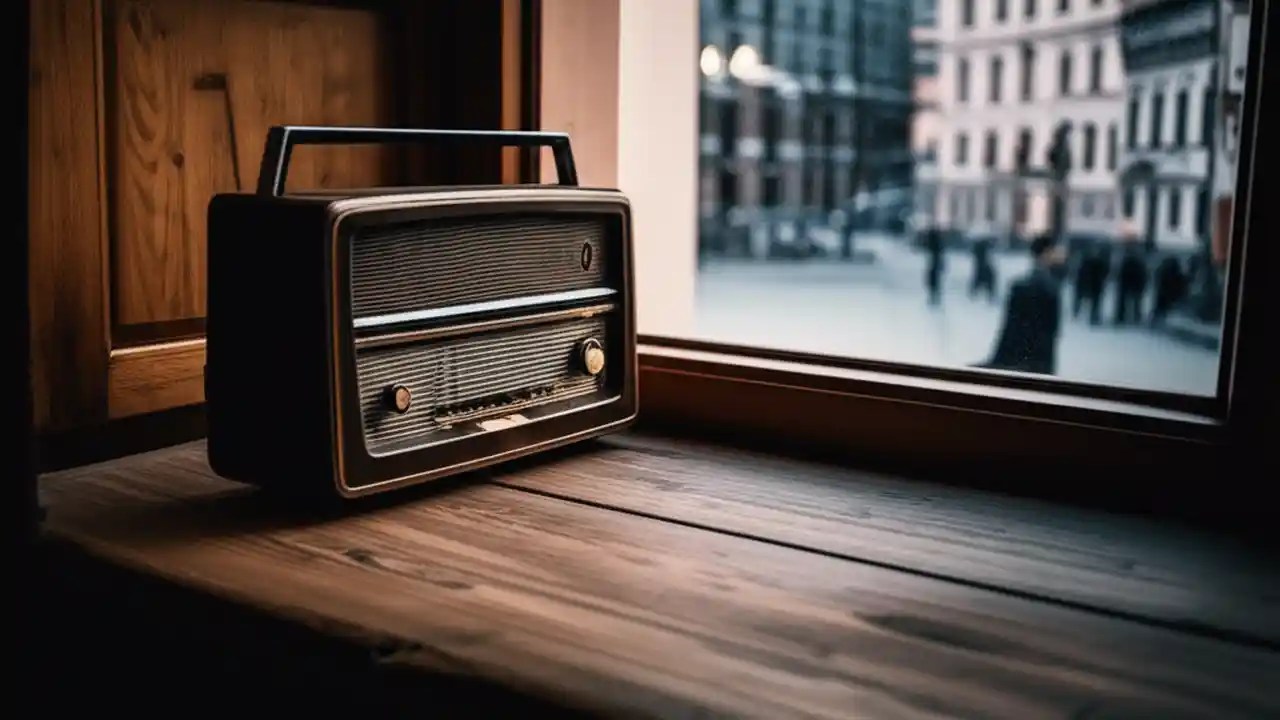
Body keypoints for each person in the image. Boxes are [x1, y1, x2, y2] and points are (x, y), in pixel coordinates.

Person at [976, 234, 1066, 375]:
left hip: (1019, 360)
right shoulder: (1048, 290)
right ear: (1046, 253)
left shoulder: (1021, 286)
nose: (1060, 255)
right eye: (1055, 251)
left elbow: (1008, 331)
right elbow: (1049, 335)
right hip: (1035, 362)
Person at [1072, 244, 1110, 326]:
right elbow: (1105, 273)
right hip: (1094, 285)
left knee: (1088, 300)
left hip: (1090, 284)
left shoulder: (1086, 261)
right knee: (1094, 302)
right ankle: (1093, 317)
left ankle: (1081, 314)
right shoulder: (1100, 261)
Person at [1114, 241, 1148, 325]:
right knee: (1136, 302)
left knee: (1123, 302)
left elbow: (1120, 273)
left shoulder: (1125, 260)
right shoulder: (1139, 261)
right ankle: (1135, 317)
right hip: (1134, 284)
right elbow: (1143, 275)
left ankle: (1121, 318)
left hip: (1126, 284)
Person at [1151, 255, 1188, 325]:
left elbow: (1159, 281)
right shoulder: (1178, 273)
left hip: (1164, 294)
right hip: (1171, 294)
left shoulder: (1163, 271)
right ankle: (1160, 322)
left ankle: (1156, 322)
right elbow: (1182, 285)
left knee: (1160, 309)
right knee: (1166, 309)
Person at [923, 225, 946, 307]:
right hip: (935, 264)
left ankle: (933, 297)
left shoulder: (932, 247)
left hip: (934, 265)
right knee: (935, 281)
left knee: (934, 281)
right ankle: (934, 297)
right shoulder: (937, 247)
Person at [969, 236, 997, 302]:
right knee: (989, 278)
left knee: (979, 278)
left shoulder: (977, 248)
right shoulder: (980, 248)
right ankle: (989, 295)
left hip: (980, 267)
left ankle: (974, 293)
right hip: (982, 267)